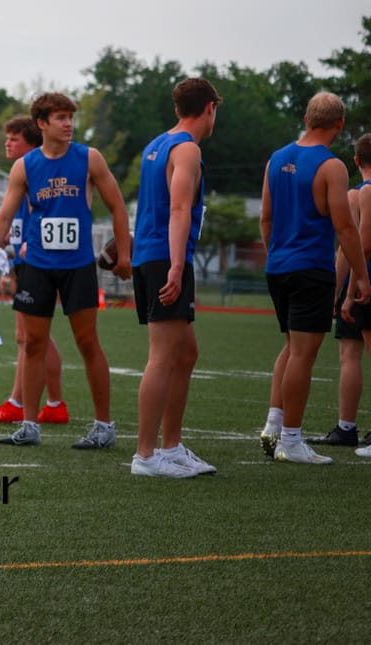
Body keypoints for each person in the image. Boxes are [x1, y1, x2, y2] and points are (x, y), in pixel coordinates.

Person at [0, 93, 130, 451]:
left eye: (70, 117)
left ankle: (104, 426)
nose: (68, 123)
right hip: (37, 265)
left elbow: (117, 207)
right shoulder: (25, 167)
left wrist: (124, 255)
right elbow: (4, 217)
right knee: (33, 344)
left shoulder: (89, 159)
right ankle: (29, 425)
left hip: (77, 266)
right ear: (41, 123)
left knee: (88, 343)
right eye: (60, 117)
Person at [256, 94, 369, 465]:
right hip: (312, 269)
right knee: (304, 355)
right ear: (339, 124)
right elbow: (345, 228)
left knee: (291, 348)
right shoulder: (331, 166)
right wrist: (361, 277)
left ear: (306, 117)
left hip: (279, 267)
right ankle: (290, 438)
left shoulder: (276, 158)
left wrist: (276, 255)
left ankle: (274, 424)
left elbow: (266, 218)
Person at [130, 76, 221, 479]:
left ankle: (171, 446)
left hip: (150, 256)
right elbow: (180, 209)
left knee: (186, 354)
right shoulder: (186, 150)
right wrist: (178, 266)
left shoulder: (156, 144)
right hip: (165, 258)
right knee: (163, 357)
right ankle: (147, 456)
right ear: (210, 108)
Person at [0, 115, 67, 424]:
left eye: (14, 138)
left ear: (31, 142)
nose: (7, 143)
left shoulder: (33, 170)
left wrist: (28, 241)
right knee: (33, 336)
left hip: (35, 260)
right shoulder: (23, 171)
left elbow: (41, 212)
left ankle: (20, 402)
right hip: (26, 258)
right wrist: (7, 240)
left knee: (28, 337)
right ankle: (54, 404)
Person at [317, 135, 371, 451]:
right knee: (348, 352)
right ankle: (346, 427)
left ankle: (347, 426)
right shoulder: (356, 194)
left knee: (352, 353)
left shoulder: (360, 194)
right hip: (361, 282)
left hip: (363, 284)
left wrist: (345, 292)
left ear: (355, 161)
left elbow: (356, 248)